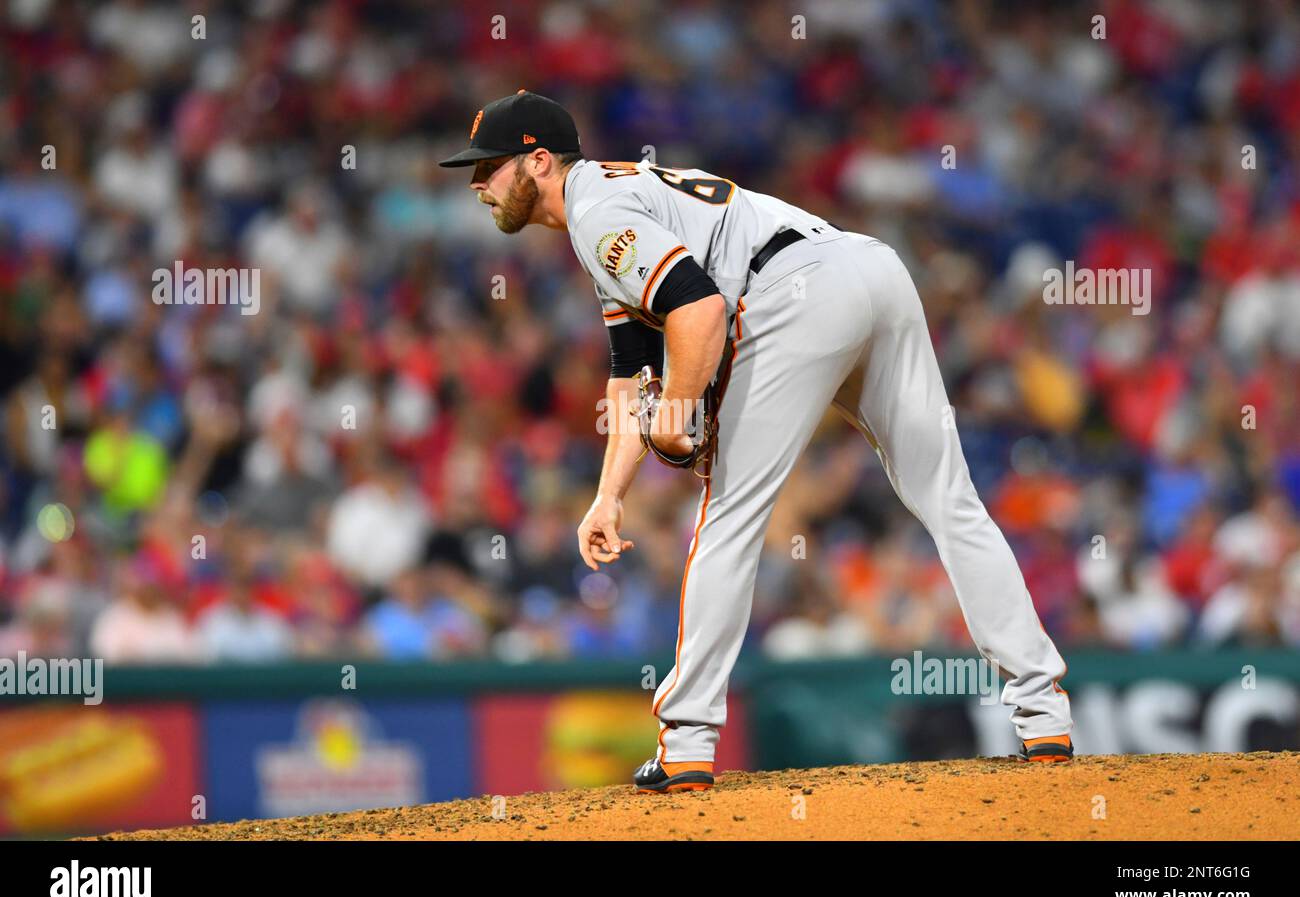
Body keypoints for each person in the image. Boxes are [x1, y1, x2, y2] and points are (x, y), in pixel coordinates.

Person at [440, 91, 1074, 793]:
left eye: (489, 167)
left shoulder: (596, 213)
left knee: (730, 517)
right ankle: (1045, 716)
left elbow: (700, 307)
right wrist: (608, 498)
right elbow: (630, 377)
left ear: (538, 160)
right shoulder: (614, 201)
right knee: (951, 500)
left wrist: (679, 408)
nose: (477, 184)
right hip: (872, 270)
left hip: (795, 292)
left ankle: (685, 742)